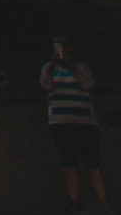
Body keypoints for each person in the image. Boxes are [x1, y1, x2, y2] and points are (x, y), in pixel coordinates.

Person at [40, 35, 105, 205]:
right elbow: (45, 85)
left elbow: (88, 85)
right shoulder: (48, 68)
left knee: (92, 163)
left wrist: (73, 68)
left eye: (66, 47)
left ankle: (103, 200)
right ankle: (74, 201)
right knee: (69, 163)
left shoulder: (82, 67)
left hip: (85, 121)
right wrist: (53, 67)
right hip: (60, 121)